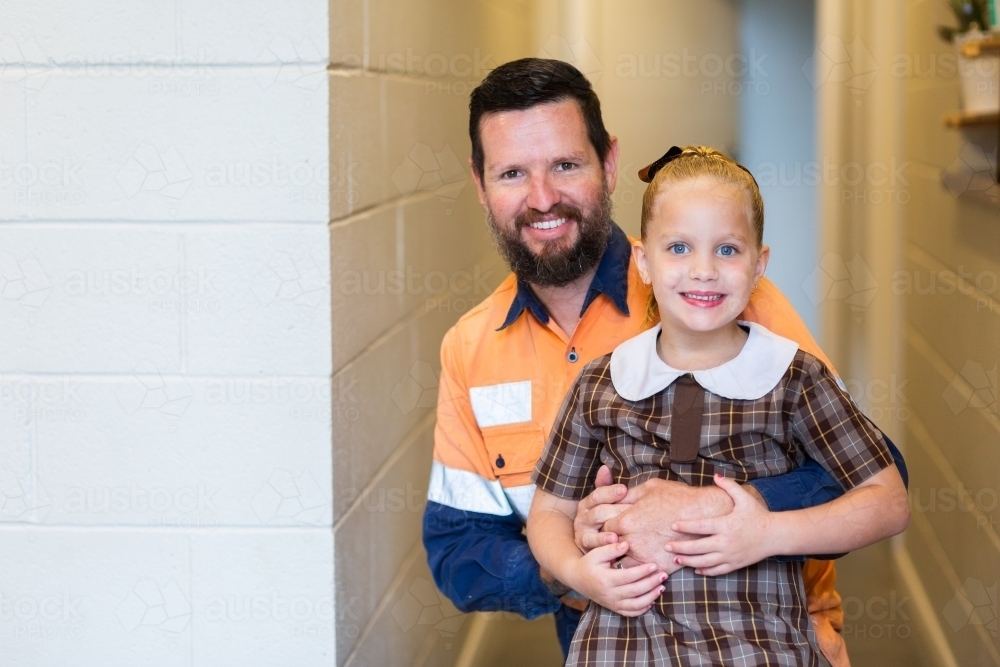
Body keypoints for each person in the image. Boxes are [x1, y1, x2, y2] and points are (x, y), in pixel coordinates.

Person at [422, 57, 907, 664]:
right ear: (480, 183)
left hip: (767, 635)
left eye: (566, 165)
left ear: (610, 163)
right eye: (512, 172)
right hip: (612, 638)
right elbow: (456, 551)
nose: (542, 197)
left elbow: (878, 476)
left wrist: (719, 511)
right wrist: (577, 559)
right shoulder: (471, 346)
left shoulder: (722, 298)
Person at [526, 145, 910, 666]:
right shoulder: (601, 382)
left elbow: (888, 502)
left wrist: (769, 532)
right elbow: (549, 511)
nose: (703, 270)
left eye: (727, 250)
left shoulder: (794, 377)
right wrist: (577, 572)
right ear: (643, 261)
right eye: (679, 248)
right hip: (623, 644)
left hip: (753, 641)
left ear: (759, 265)